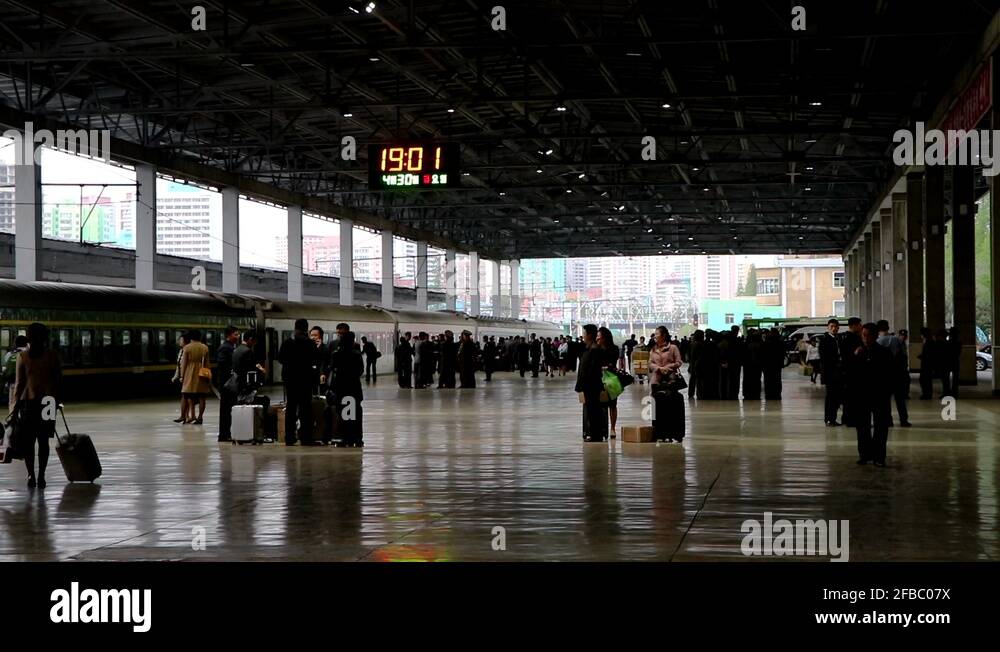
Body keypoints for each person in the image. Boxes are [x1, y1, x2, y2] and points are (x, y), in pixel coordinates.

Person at [11, 322, 61, 489]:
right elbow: (58, 382)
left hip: (28, 403)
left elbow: (19, 385)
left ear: (29, 338)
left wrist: (14, 408)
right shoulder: (53, 356)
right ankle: (42, 476)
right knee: (44, 440)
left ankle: (31, 474)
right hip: (48, 404)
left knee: (28, 442)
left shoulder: (23, 357)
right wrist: (57, 401)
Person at [846, 323, 894, 467]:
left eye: (869, 336)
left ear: (876, 335)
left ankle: (879, 456)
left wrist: (887, 392)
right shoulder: (857, 352)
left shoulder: (884, 353)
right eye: (864, 335)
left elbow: (890, 375)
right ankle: (865, 454)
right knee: (862, 427)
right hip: (862, 396)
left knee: (881, 427)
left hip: (879, 395)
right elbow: (851, 374)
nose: (866, 339)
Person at [278, 319, 320, 446]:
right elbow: (315, 360)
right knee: (305, 409)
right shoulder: (310, 344)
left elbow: (280, 359)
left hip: (290, 380)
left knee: (291, 408)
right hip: (305, 380)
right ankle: (305, 438)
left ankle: (289, 438)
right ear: (306, 329)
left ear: (295, 328)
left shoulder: (287, 343)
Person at [328, 330, 365, 447]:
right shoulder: (356, 354)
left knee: (344, 413)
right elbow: (360, 371)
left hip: (341, 388)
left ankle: (345, 438)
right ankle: (357, 438)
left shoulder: (336, 354)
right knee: (355, 414)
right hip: (353, 387)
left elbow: (333, 369)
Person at [648, 326, 684, 442]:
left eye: (657, 334)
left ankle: (672, 432)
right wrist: (659, 368)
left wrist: (668, 367)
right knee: (657, 406)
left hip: (671, 381)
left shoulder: (673, 348)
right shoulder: (653, 349)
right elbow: (650, 363)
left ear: (663, 335)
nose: (655, 336)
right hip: (656, 381)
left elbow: (679, 362)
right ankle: (659, 433)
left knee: (671, 406)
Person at [575, 324, 607, 442]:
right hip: (589, 385)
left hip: (591, 385)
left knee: (594, 409)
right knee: (591, 409)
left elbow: (591, 370)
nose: (583, 336)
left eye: (584, 334)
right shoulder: (589, 348)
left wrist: (583, 383)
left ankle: (596, 435)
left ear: (589, 335)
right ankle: (594, 433)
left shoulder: (594, 350)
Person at [876, 320, 911, 427]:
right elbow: (904, 356)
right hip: (897, 374)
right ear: (888, 327)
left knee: (885, 400)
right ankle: (903, 420)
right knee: (900, 399)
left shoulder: (877, 342)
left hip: (883, 375)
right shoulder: (897, 340)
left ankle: (888, 420)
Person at [179, 329, 212, 425]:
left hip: (189, 373)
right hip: (201, 373)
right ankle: (200, 417)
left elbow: (184, 363)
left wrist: (182, 376)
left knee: (185, 395)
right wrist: (208, 376)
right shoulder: (205, 347)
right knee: (202, 397)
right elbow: (207, 363)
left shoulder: (187, 348)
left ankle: (184, 416)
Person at [216, 325, 240, 442]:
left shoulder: (231, 347)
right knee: (225, 410)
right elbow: (222, 364)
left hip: (230, 384)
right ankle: (223, 434)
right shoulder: (225, 348)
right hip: (226, 384)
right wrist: (231, 370)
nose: (238, 336)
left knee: (229, 409)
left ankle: (227, 433)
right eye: (235, 334)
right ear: (228, 335)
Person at [818, 319, 844, 426]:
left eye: (836, 326)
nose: (834, 328)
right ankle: (829, 419)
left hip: (839, 374)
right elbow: (824, 358)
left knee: (836, 397)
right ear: (828, 327)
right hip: (830, 374)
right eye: (832, 326)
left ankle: (832, 418)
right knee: (831, 397)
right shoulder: (824, 340)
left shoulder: (839, 339)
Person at [596, 327, 621, 438]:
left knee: (612, 404)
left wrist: (606, 366)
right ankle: (601, 428)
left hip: (611, 379)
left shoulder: (614, 348)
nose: (597, 338)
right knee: (600, 404)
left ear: (605, 337)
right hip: (598, 378)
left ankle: (612, 428)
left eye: (599, 336)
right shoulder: (596, 349)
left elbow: (613, 361)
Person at [839, 318, 864, 425]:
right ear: (853, 326)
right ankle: (852, 419)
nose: (861, 326)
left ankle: (847, 418)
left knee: (848, 397)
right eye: (859, 324)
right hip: (854, 371)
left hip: (847, 371)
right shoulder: (854, 338)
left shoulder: (843, 338)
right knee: (853, 397)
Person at [170, 333, 191, 423]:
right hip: (182, 377)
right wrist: (176, 376)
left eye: (181, 340)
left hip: (187, 376)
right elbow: (179, 365)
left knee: (186, 396)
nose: (179, 341)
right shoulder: (181, 351)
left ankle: (186, 415)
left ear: (185, 341)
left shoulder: (188, 351)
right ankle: (185, 415)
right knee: (185, 396)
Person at [2, 335, 27, 407]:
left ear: (15, 344)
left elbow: (4, 369)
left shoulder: (9, 354)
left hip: (12, 383)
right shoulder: (28, 354)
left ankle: (12, 417)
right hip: (25, 384)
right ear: (26, 343)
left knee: (12, 402)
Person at [762, 328, 784, 401]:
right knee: (777, 380)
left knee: (768, 380)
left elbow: (763, 354)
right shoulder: (780, 342)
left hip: (767, 365)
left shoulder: (767, 342)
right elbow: (782, 354)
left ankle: (769, 394)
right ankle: (777, 394)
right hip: (777, 365)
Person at [742, 329, 764, 400]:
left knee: (749, 379)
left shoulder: (746, 343)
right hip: (755, 364)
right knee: (756, 379)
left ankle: (749, 394)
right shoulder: (760, 343)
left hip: (749, 364)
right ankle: (755, 394)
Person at [310, 326, 329, 392]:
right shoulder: (308, 347)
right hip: (310, 375)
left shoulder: (325, 348)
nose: (313, 337)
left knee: (322, 394)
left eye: (315, 335)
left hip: (321, 375)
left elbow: (324, 361)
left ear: (320, 337)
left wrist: (319, 348)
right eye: (311, 335)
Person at [945, 327, 962, 398]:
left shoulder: (949, 342)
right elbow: (958, 353)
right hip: (955, 361)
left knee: (946, 378)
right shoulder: (958, 342)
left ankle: (948, 392)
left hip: (949, 361)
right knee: (955, 378)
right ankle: (954, 393)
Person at [688, 330, 704, 399]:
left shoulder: (692, 344)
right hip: (698, 365)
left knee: (692, 380)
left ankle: (690, 393)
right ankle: (699, 394)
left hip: (692, 364)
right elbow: (700, 356)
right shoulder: (700, 344)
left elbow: (689, 355)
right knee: (699, 380)